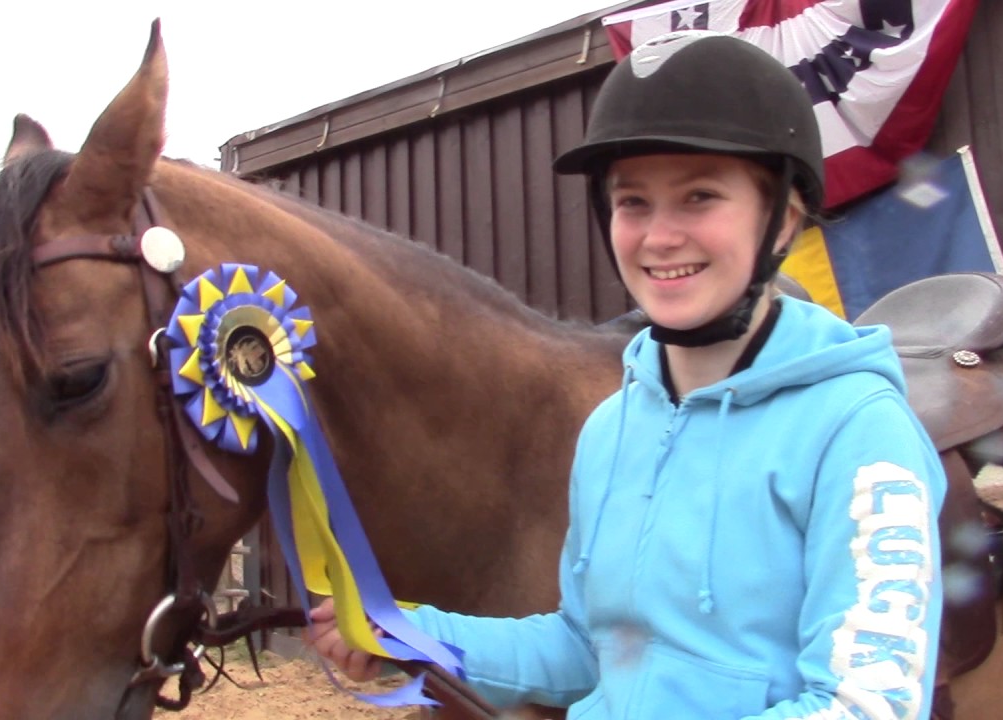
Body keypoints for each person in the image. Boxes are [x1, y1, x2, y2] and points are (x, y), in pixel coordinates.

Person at [307, 30, 946, 719]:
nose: (658, 236)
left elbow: (865, 707)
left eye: (700, 196)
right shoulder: (613, 424)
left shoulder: (858, 430)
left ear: (784, 222)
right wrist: (409, 634)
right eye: (633, 202)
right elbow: (584, 649)